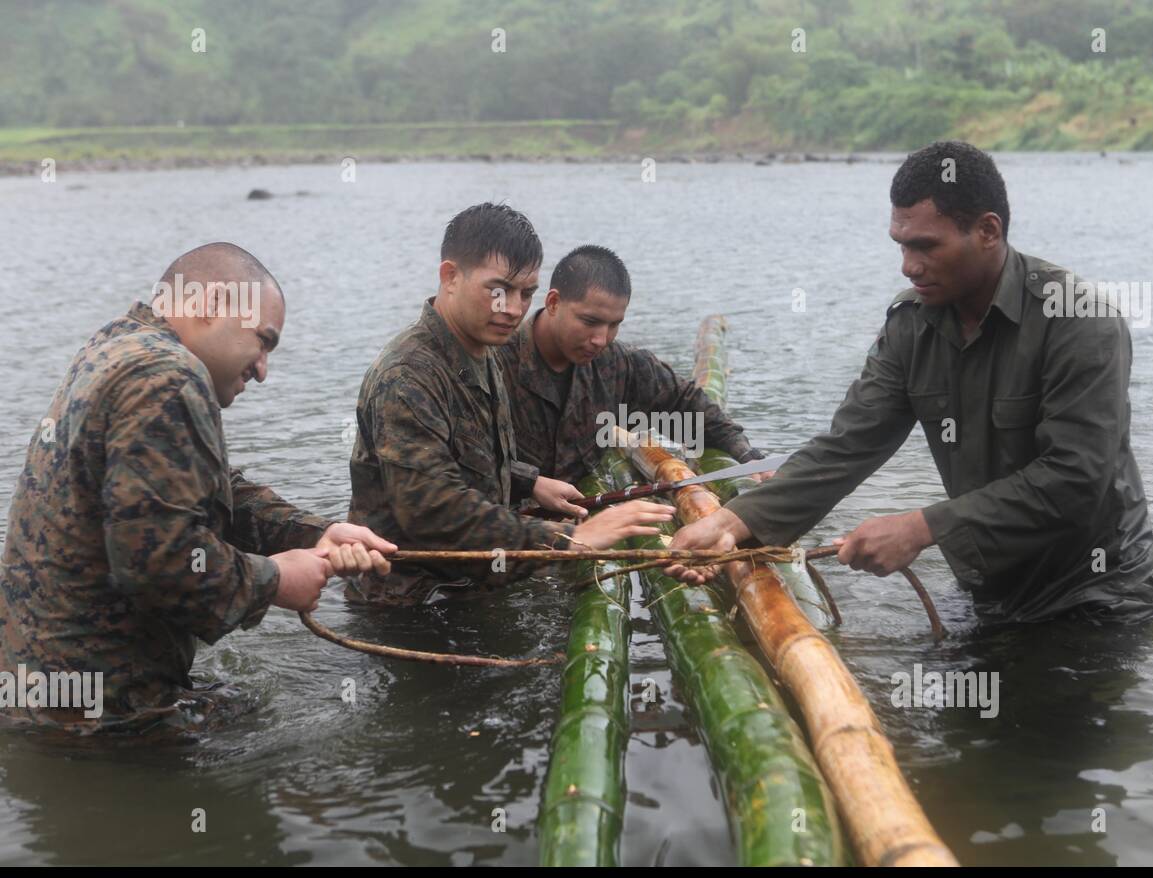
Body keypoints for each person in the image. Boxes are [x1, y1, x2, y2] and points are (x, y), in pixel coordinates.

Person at [670, 141, 1153, 625]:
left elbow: (1076, 478)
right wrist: (733, 524)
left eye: (925, 245)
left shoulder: (1078, 320)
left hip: (1098, 596)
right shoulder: (912, 323)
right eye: (902, 244)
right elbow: (847, 446)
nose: (908, 265)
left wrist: (921, 528)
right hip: (989, 586)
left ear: (988, 231)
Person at [0, 243, 395, 733]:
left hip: (45, 693)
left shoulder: (119, 346)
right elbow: (159, 561)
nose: (263, 370)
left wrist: (314, 534)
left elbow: (195, 490)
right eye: (264, 341)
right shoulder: (169, 376)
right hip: (106, 715)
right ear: (210, 305)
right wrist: (274, 580)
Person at [347, 204, 673, 605]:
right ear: (450, 277)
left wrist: (527, 480)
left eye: (526, 293)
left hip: (473, 586)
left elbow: (462, 456)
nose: (515, 309)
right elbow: (434, 510)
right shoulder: (408, 376)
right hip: (411, 605)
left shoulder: (481, 352)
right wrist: (569, 539)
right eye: (499, 291)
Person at [498, 244, 764, 502]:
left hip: (581, 513)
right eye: (590, 322)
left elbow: (687, 404)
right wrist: (530, 483)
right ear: (554, 303)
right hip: (505, 519)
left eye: (614, 325)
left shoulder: (617, 363)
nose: (601, 339)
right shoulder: (495, 363)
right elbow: (466, 463)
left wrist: (747, 456)